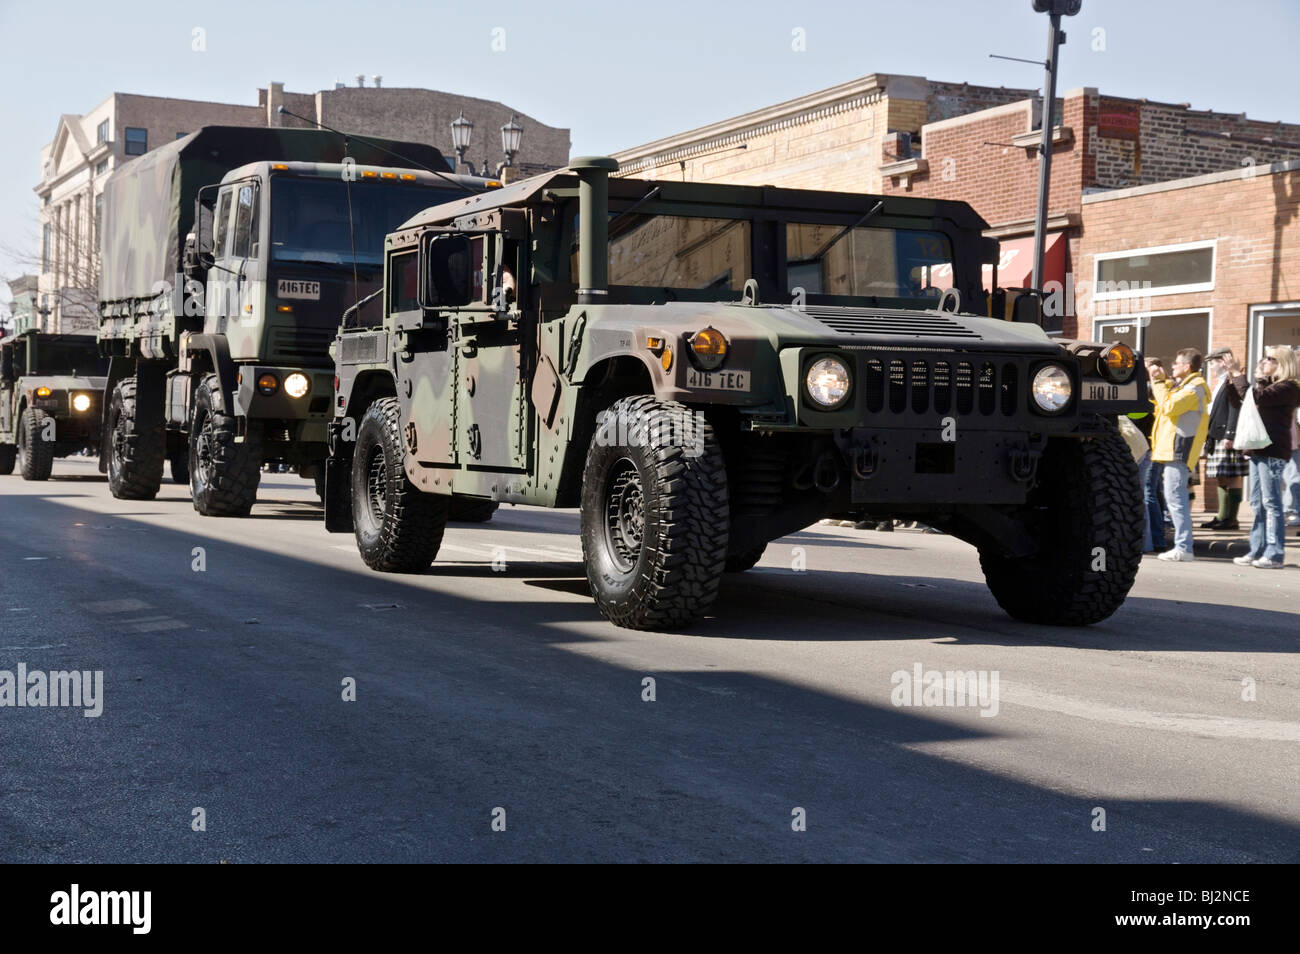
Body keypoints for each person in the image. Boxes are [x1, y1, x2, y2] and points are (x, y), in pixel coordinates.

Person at [1227, 346, 1300, 568]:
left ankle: (1275, 554)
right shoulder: (1269, 386)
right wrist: (1232, 377)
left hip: (1273, 450)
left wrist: (1241, 376)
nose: (1264, 362)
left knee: (1271, 503)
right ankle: (1256, 550)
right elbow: (1239, 400)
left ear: (1282, 363)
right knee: (1258, 503)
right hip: (1259, 450)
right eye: (1264, 358)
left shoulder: (1290, 387)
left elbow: (1256, 397)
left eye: (1270, 359)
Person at [1150, 348, 1209, 562]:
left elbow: (1169, 406)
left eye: (1176, 363)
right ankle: (1183, 547)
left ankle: (1184, 547)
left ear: (1187, 367)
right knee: (1174, 498)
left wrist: (1157, 383)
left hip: (1179, 448)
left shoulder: (1195, 387)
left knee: (1176, 499)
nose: (1173, 366)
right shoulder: (1185, 385)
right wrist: (1164, 380)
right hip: (1174, 448)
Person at [1201, 348, 1246, 530]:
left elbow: (1236, 408)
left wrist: (1230, 434)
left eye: (1212, 362)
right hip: (1216, 434)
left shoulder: (1231, 380)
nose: (1211, 367)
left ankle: (1231, 518)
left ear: (1222, 362)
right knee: (1221, 476)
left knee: (1233, 475)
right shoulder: (1220, 382)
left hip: (1227, 435)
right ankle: (1222, 515)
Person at [1141, 358, 1168, 551]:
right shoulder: (1159, 388)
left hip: (1148, 446)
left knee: (1147, 493)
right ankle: (1158, 538)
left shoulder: (1147, 390)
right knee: (1154, 492)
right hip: (1155, 445)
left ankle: (1154, 540)